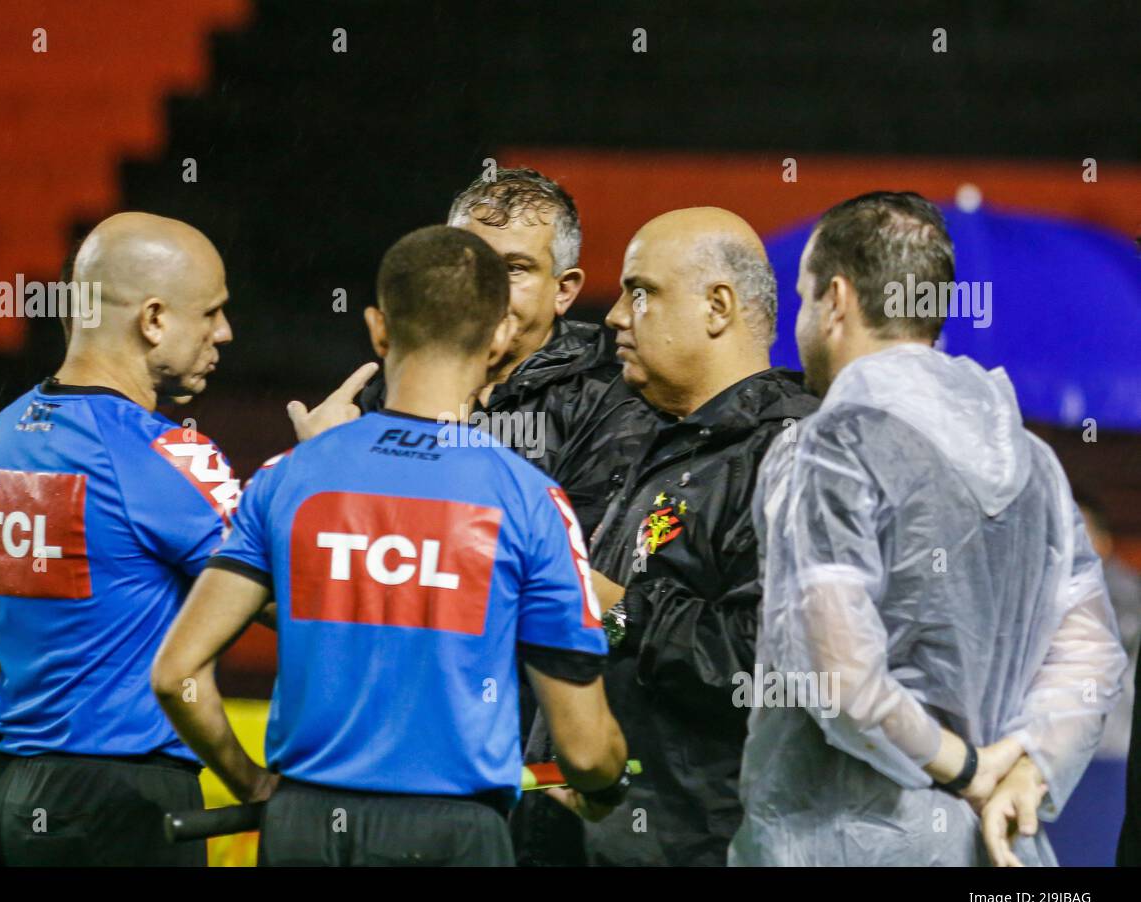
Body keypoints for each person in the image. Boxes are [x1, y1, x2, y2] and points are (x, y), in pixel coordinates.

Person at [152, 225, 628, 866]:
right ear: (498, 336)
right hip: (453, 838)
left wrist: (255, 785)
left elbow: (176, 673)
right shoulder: (532, 503)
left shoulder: (289, 477)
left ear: (378, 328)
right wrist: (604, 791)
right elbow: (588, 751)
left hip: (303, 827)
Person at [728, 191, 1127, 867]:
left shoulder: (825, 447)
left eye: (802, 298)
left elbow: (841, 678)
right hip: (1000, 849)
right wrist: (1028, 764)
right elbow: (1092, 652)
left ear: (837, 301)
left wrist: (965, 767)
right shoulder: (1035, 462)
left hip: (837, 843)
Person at [0, 212, 244, 866]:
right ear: (153, 319)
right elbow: (296, 603)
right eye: (212, 311)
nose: (224, 332)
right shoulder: (169, 461)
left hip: (11, 799)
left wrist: (61, 702)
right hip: (130, 809)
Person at [554, 208, 818, 865]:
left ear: (718, 306)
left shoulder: (789, 454)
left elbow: (768, 670)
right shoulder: (651, 439)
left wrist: (613, 609)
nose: (615, 315)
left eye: (639, 292)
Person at [360, 168, 659, 538]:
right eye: (472, 263)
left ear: (564, 290)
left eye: (514, 268)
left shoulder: (613, 405)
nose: (489, 289)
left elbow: (569, 558)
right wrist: (327, 460)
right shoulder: (388, 390)